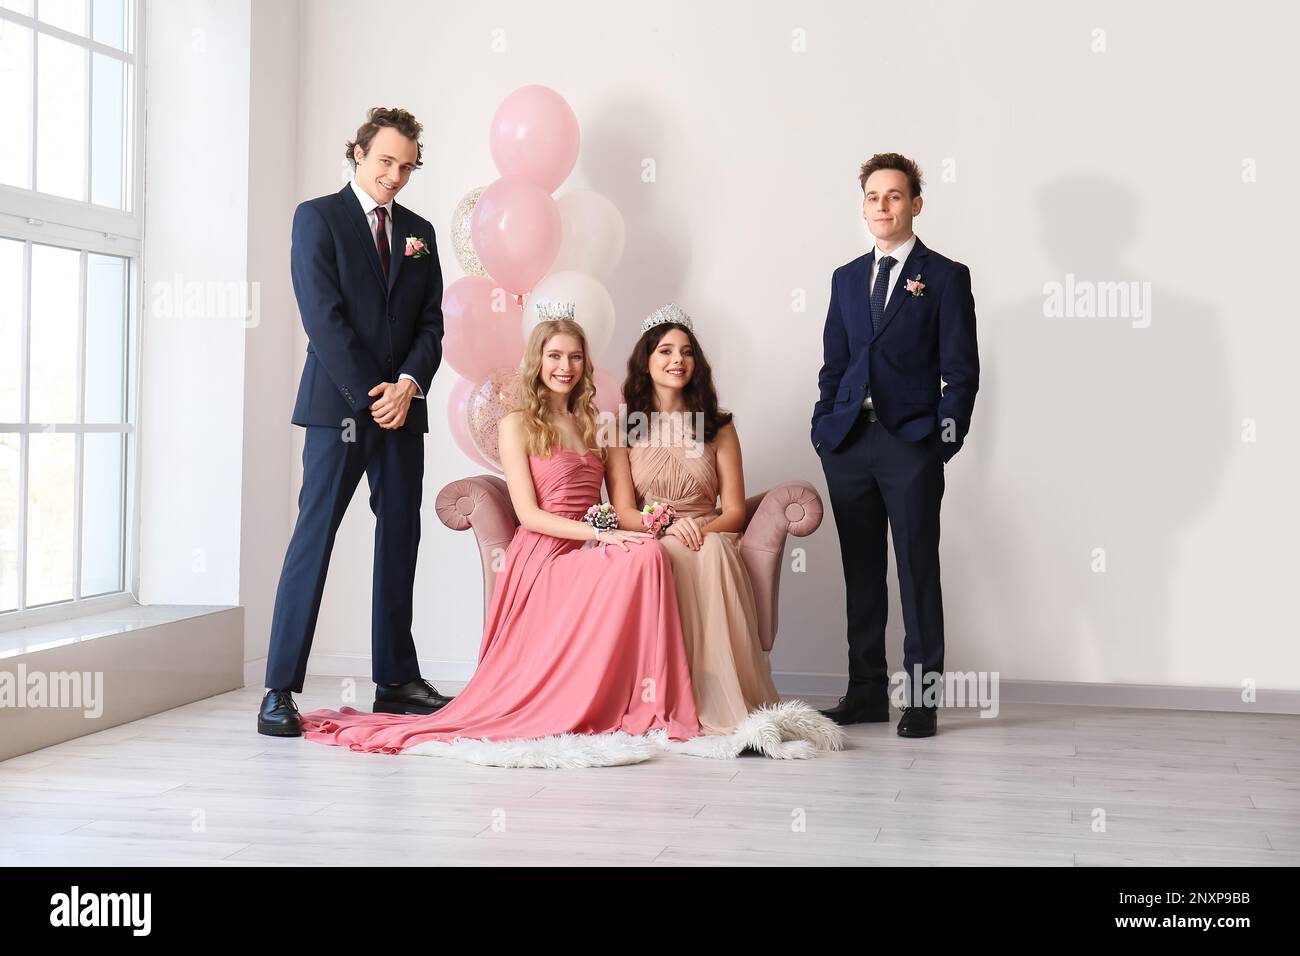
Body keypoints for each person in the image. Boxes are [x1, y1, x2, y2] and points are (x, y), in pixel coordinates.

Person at [259, 108, 451, 737]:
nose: (396, 175)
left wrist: (408, 387)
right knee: (314, 538)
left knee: (401, 539)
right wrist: (375, 394)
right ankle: (279, 690)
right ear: (359, 154)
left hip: (404, 408)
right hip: (339, 409)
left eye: (407, 165)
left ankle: (395, 680)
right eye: (385, 161)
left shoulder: (420, 232)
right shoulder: (317, 218)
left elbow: (431, 325)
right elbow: (322, 316)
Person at [811, 153, 980, 738]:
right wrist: (823, 427)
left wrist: (940, 445)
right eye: (873, 196)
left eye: (895, 196)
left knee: (916, 571)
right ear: (863, 206)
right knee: (861, 571)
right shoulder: (846, 278)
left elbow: (961, 376)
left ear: (916, 204)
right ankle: (865, 694)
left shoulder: (945, 277)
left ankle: (923, 700)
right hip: (849, 443)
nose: (883, 205)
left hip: (911, 445)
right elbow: (834, 365)